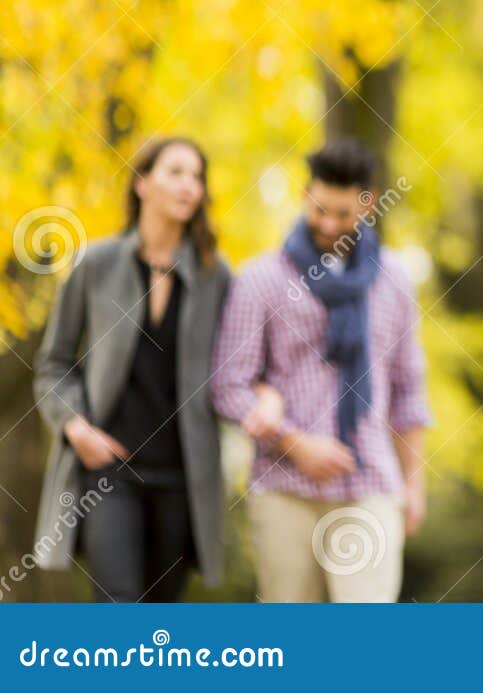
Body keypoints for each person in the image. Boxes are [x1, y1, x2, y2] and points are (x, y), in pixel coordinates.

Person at [33, 135, 269, 601]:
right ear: (142, 183)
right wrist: (75, 427)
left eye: (197, 177)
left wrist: (267, 396)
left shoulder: (213, 274)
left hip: (184, 476)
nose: (189, 186)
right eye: (175, 172)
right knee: (117, 605)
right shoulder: (96, 264)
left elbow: (240, 363)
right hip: (110, 472)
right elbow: (53, 363)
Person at [210, 138, 431, 602]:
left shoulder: (394, 280)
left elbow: (409, 388)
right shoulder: (261, 279)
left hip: (371, 482)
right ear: (304, 196)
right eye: (319, 209)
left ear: (367, 205)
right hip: (284, 485)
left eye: (343, 213)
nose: (329, 224)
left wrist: (414, 482)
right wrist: (297, 443)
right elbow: (229, 386)